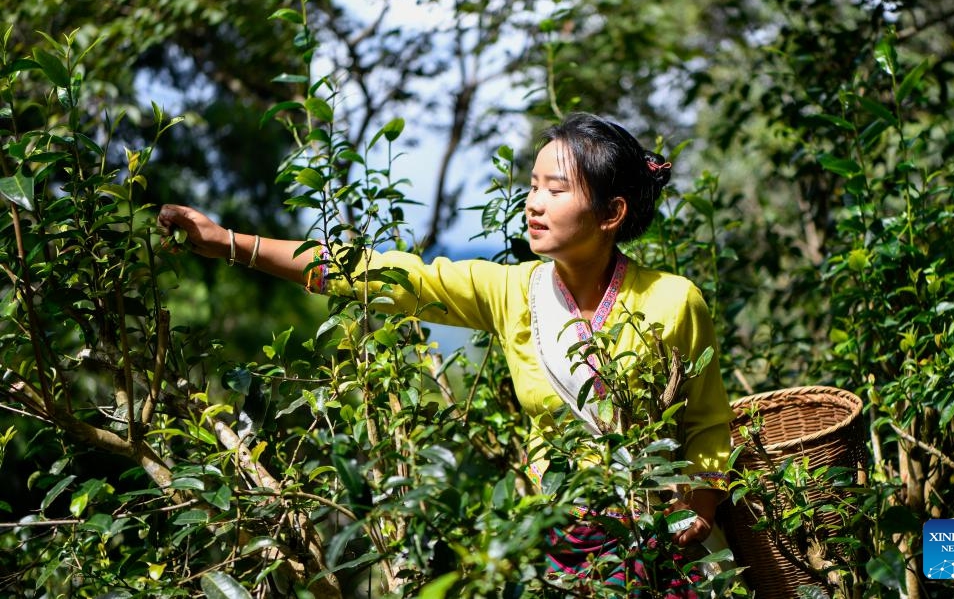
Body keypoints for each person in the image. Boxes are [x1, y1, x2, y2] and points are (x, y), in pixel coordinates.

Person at [158, 112, 734, 596]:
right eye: (532, 185)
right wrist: (230, 243)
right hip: (558, 544)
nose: (533, 203)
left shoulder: (671, 301)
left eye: (556, 189)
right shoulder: (515, 292)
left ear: (612, 214)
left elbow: (708, 424)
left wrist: (700, 509)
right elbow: (385, 276)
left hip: (660, 546)